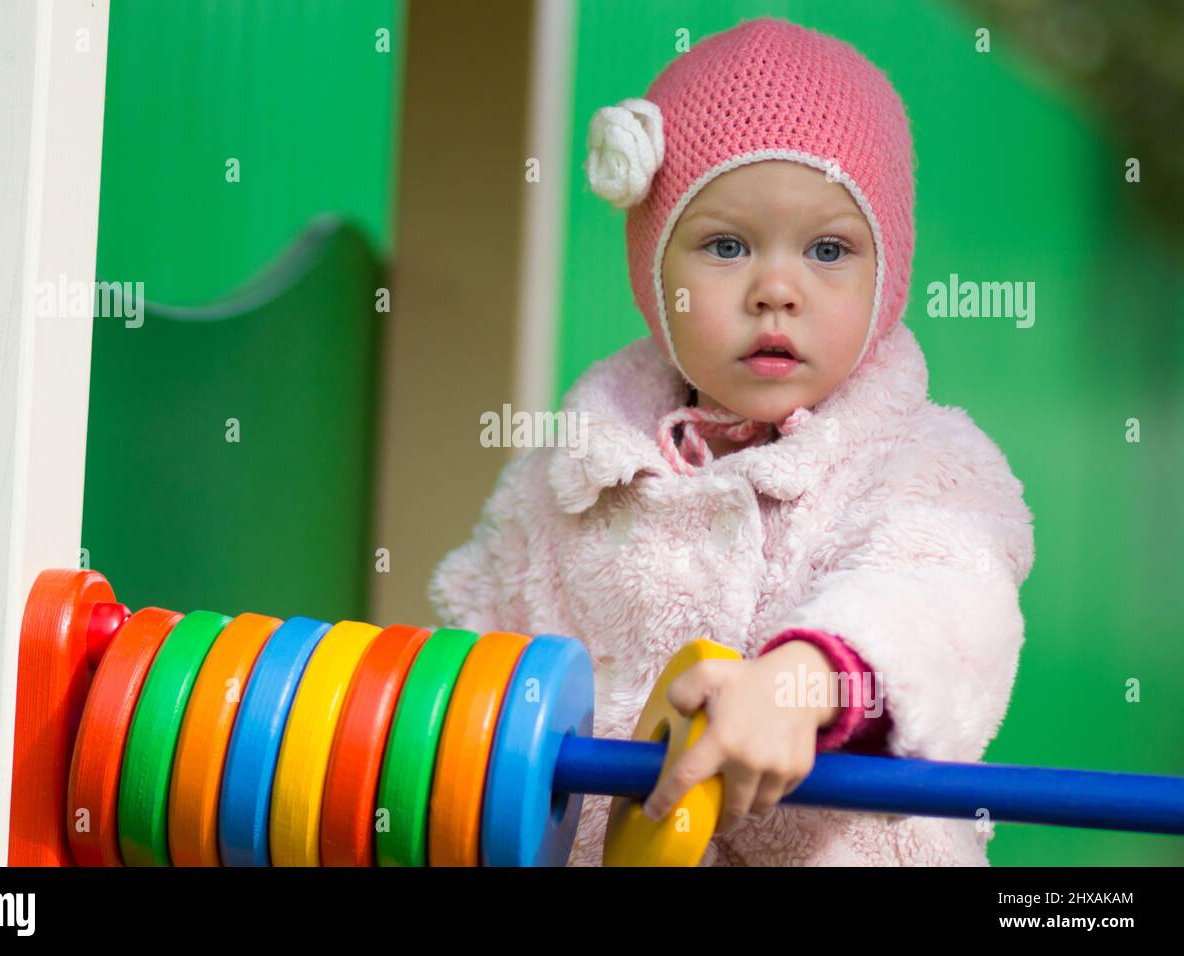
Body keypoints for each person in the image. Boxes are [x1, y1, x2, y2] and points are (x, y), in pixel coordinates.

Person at [429, 16, 1035, 866]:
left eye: (829, 248)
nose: (775, 290)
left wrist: (807, 682)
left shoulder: (924, 466)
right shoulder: (564, 484)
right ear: (653, 273)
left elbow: (943, 604)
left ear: (887, 275)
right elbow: (469, 683)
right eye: (726, 245)